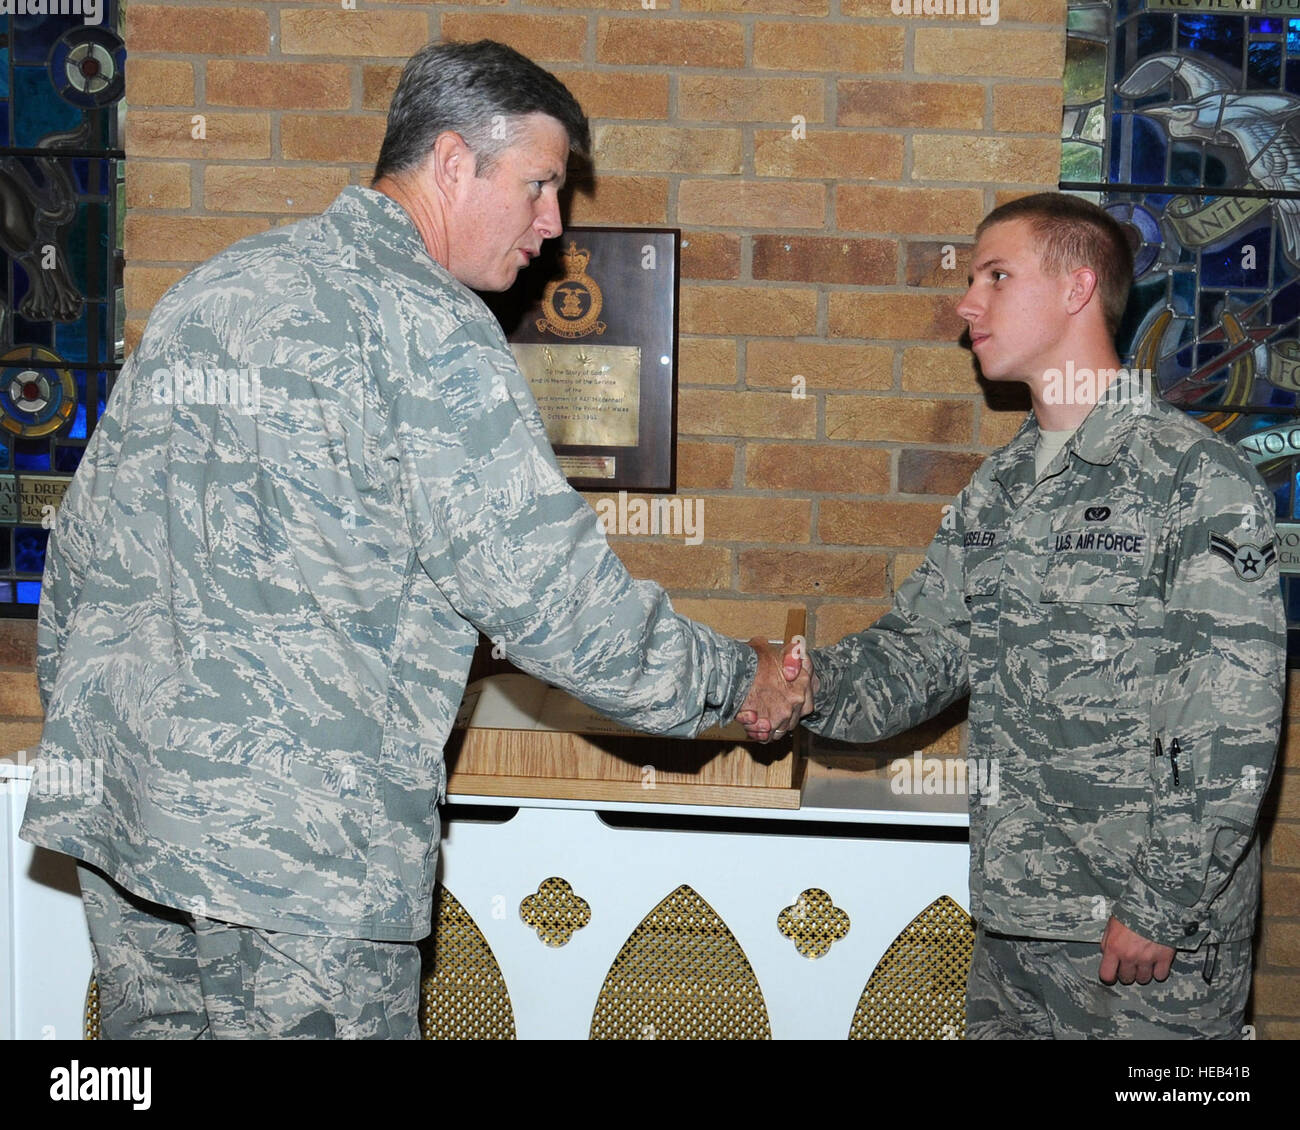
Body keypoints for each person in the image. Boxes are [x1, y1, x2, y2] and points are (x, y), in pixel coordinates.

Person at [19, 39, 808, 1039]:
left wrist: (97, 737)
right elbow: (554, 602)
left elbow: (79, 556)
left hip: (133, 825)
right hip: (300, 859)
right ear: (450, 162)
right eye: (538, 185)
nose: (553, 223)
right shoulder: (431, 329)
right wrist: (731, 679)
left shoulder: (212, 291)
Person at [743, 193, 1285, 1039]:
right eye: (970, 281)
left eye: (996, 276)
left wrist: (1163, 902)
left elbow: (1230, 716)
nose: (968, 304)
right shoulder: (999, 490)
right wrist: (805, 686)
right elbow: (919, 650)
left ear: (1078, 288)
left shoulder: (1197, 480)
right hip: (1016, 920)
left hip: (1144, 943)